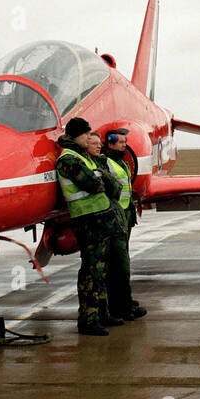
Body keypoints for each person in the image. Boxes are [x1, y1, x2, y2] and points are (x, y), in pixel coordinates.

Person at [55, 117, 125, 336]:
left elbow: (107, 183)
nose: (90, 137)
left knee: (101, 271)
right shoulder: (68, 159)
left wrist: (100, 177)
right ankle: (88, 319)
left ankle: (102, 314)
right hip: (87, 221)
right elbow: (94, 184)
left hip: (100, 219)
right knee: (91, 272)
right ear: (77, 135)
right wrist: (100, 178)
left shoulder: (83, 157)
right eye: (86, 134)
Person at [101, 128, 147, 321]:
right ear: (110, 143)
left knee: (123, 263)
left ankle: (125, 303)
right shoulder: (107, 163)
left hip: (124, 219)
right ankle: (122, 308)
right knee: (118, 266)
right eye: (120, 143)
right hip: (114, 220)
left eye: (125, 142)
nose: (124, 146)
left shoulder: (121, 163)